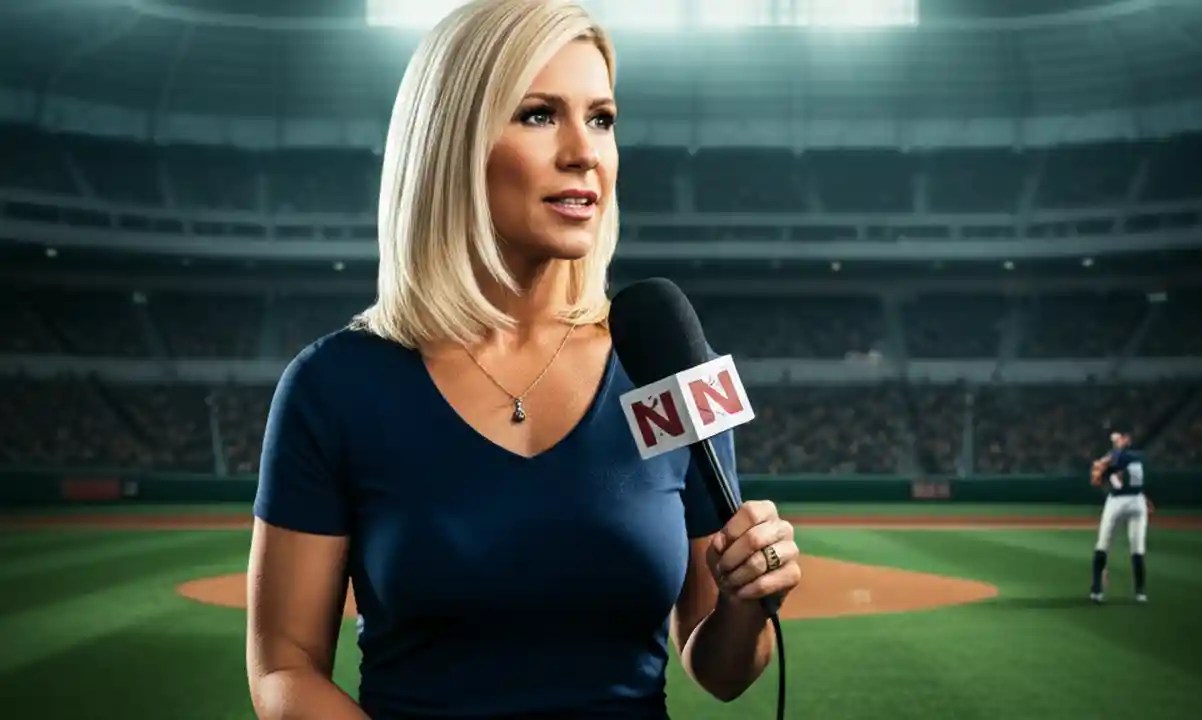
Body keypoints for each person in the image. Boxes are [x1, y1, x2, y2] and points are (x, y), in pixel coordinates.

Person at [244, 1, 802, 718]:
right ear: (452, 142)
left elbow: (720, 668)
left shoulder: (669, 368)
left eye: (602, 118)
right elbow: (284, 667)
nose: (584, 151)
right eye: (539, 114)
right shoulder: (335, 385)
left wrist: (745, 602)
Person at [1088, 428, 1150, 604]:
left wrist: (1100, 465)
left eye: (1118, 438)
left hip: (1121, 502)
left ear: (1127, 439)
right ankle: (1140, 592)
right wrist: (1101, 471)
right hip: (1136, 500)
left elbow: (1105, 465)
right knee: (1135, 547)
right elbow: (1098, 479)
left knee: (1106, 544)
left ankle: (1097, 590)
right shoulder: (1137, 456)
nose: (1115, 441)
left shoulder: (1122, 455)